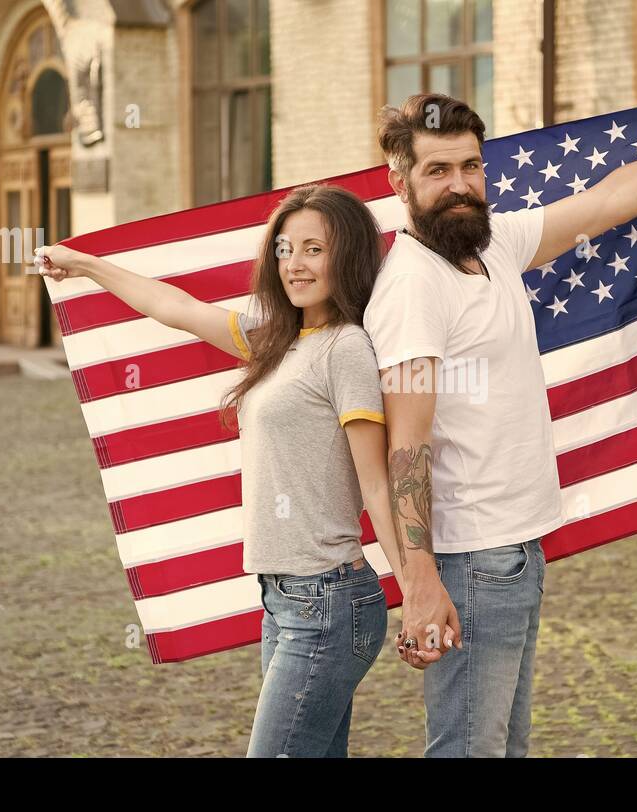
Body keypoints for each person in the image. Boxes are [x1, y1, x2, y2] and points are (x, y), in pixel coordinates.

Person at [366, 70, 637, 757]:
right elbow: (406, 445)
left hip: (514, 551)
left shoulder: (487, 246)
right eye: (438, 170)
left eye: (471, 165)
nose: (460, 183)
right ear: (398, 181)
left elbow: (604, 204)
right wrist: (421, 579)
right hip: (470, 560)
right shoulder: (413, 285)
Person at [35, 184, 405, 757]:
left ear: (349, 256)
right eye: (286, 249)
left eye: (314, 249)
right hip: (283, 600)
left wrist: (417, 590)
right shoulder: (277, 341)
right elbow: (175, 309)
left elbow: (377, 482)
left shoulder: (346, 349)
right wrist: (84, 265)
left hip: (328, 602)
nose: (296, 264)